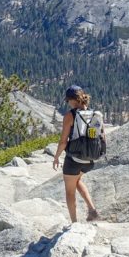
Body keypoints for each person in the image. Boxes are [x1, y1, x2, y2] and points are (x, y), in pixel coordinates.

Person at [52, 85, 101, 223]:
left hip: (74, 159)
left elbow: (63, 141)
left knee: (69, 191)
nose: (68, 103)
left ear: (72, 100)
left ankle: (74, 223)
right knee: (77, 180)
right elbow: (102, 137)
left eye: (68, 101)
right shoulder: (95, 114)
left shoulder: (70, 115)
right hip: (90, 160)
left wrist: (56, 157)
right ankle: (92, 211)